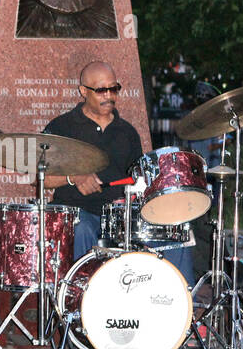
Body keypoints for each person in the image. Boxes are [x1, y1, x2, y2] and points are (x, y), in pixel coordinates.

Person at [44, 61, 194, 286]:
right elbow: (41, 179)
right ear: (83, 91)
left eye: (114, 89)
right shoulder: (62, 128)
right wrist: (74, 177)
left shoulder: (127, 133)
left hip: (120, 217)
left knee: (174, 236)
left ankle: (183, 307)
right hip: (79, 213)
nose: (109, 96)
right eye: (101, 90)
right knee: (81, 228)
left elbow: (137, 180)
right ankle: (79, 305)